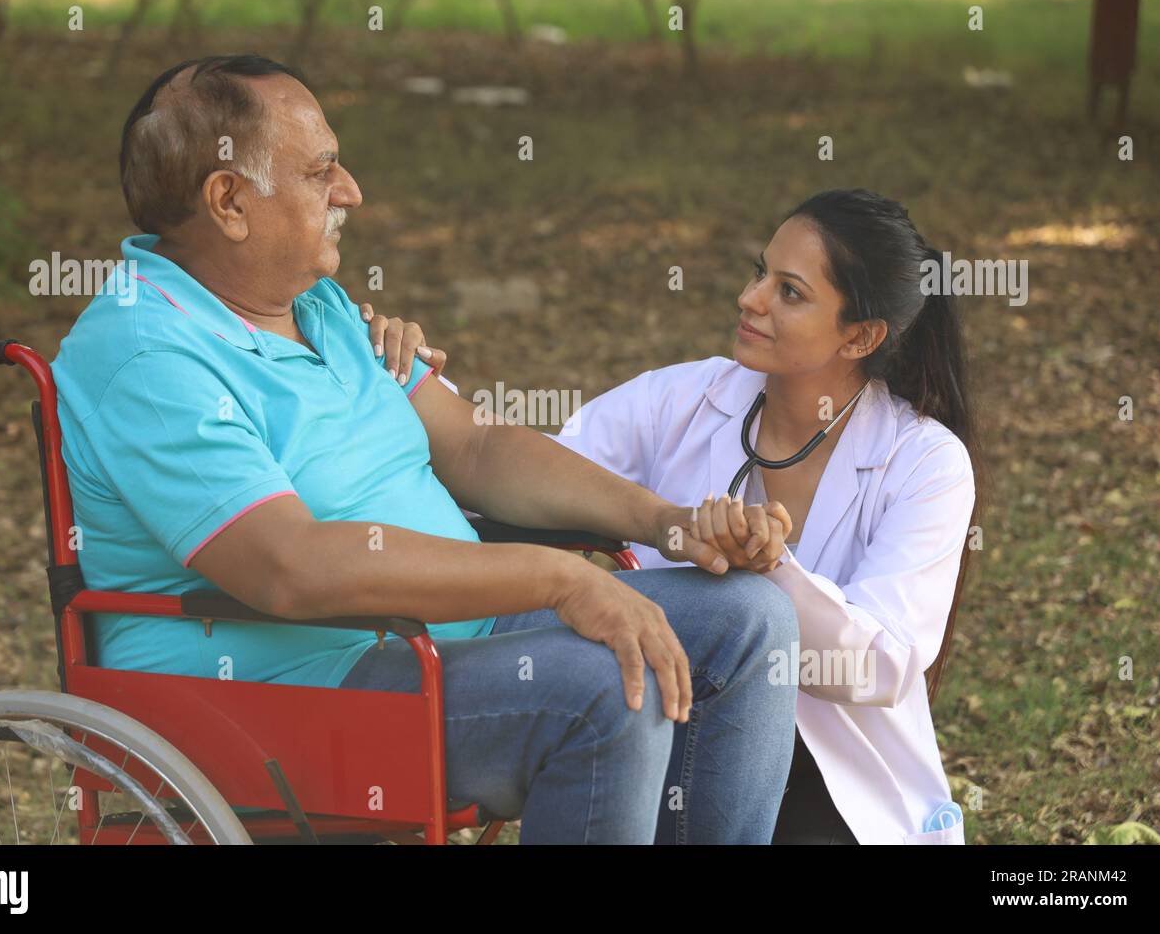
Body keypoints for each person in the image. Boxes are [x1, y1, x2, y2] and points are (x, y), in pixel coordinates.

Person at [49, 54, 800, 844]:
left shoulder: (317, 307)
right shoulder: (148, 355)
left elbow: (474, 447)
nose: (351, 192)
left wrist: (665, 521)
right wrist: (556, 577)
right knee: (605, 687)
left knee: (747, 618)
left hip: (437, 644)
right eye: (321, 171)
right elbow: (288, 566)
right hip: (286, 690)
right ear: (229, 201)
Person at [373, 189, 983, 844]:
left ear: (860, 336)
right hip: (664, 724)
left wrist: (771, 568)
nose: (751, 300)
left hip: (827, 770)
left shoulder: (925, 462)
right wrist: (415, 387)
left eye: (790, 293)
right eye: (759, 273)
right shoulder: (684, 399)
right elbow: (527, 474)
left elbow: (882, 665)